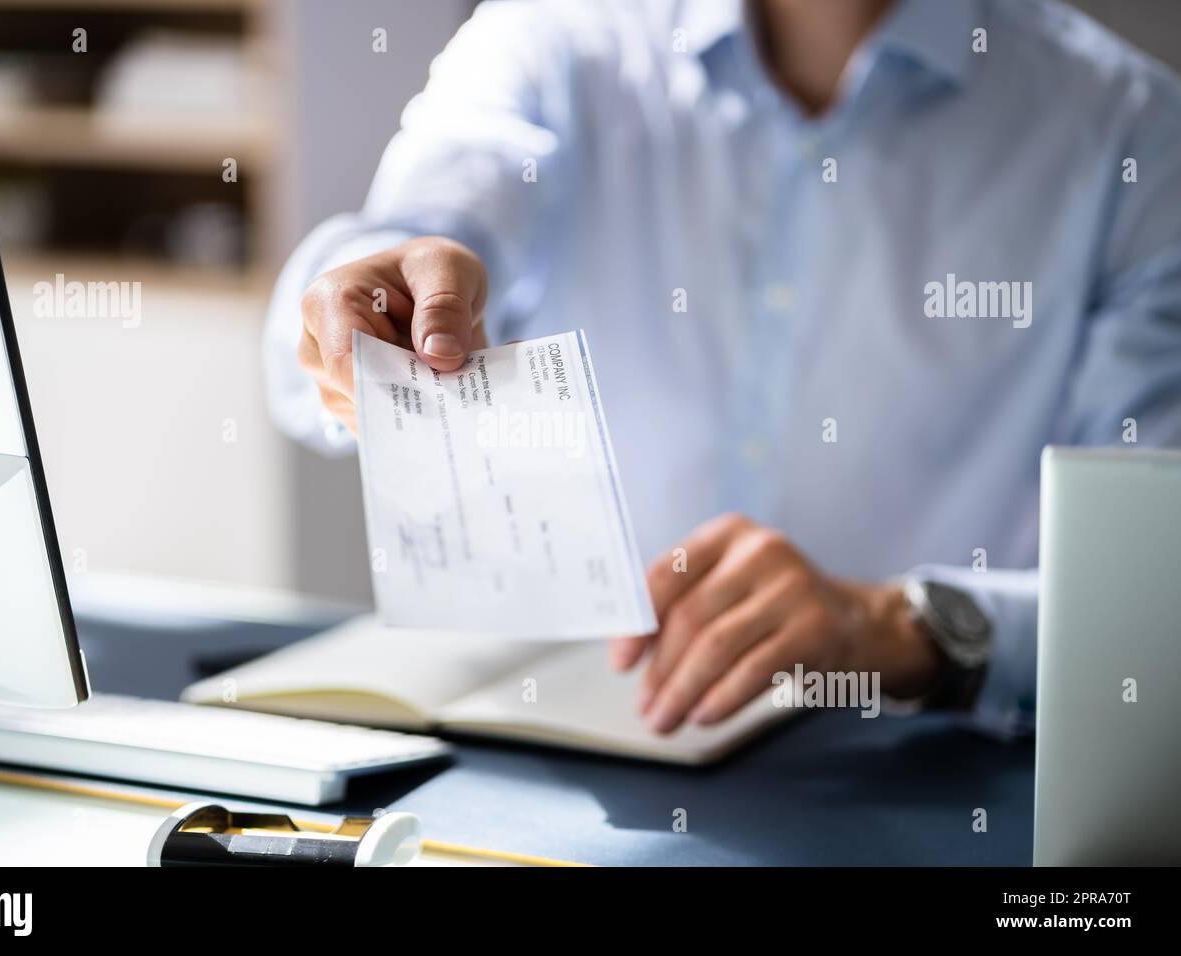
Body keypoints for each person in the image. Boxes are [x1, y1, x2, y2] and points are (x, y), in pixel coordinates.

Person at [264, 0, 1181, 738]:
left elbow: (1150, 600)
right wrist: (363, 298)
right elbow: (431, 219)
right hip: (557, 769)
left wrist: (899, 627)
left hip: (923, 784)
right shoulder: (550, 37)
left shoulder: (1132, 133)